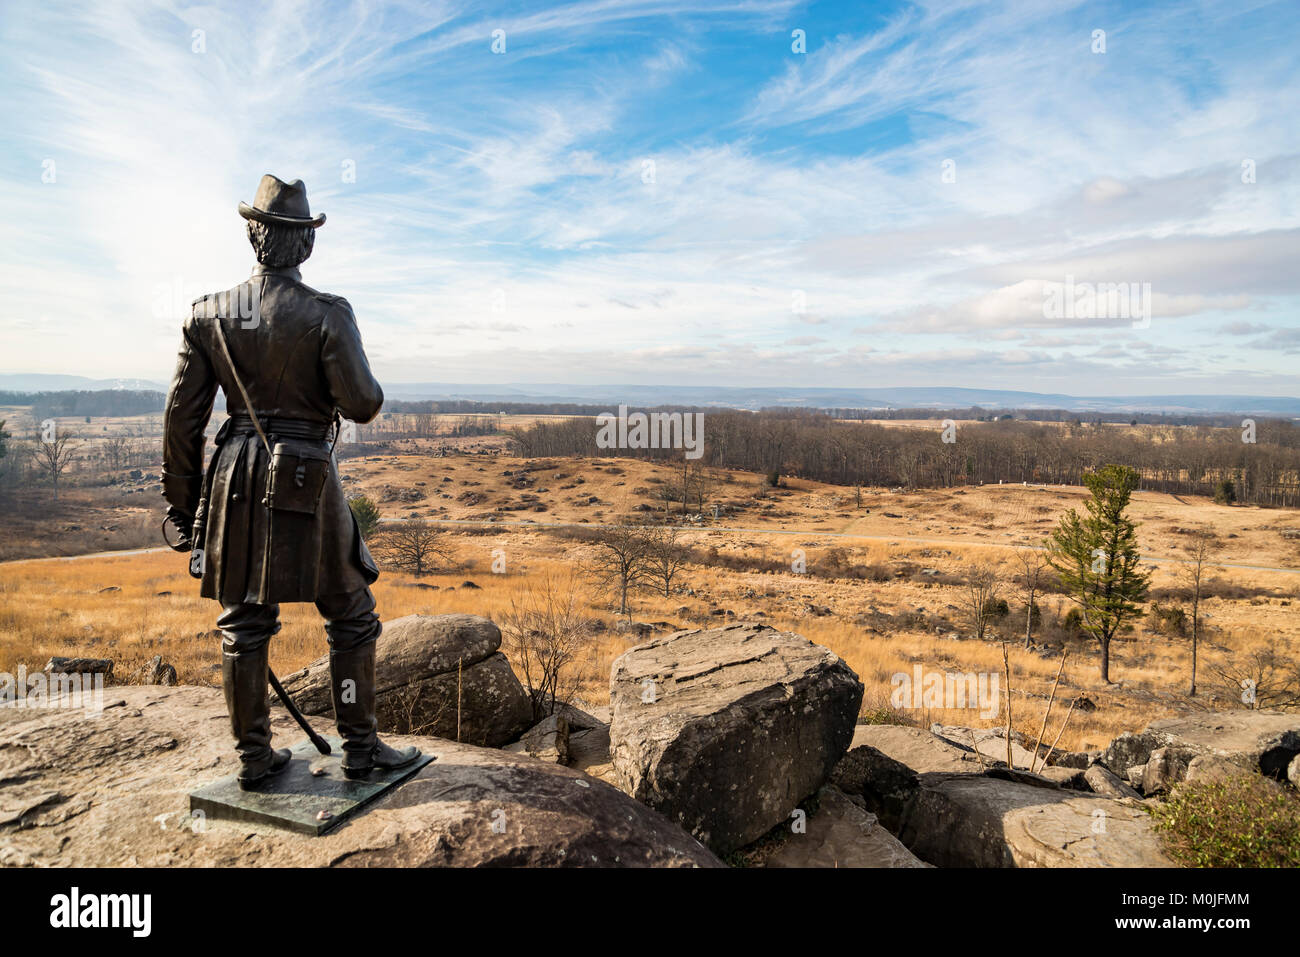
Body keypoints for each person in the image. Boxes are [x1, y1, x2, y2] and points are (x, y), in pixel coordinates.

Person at [162, 174, 419, 788]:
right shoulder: (328, 314)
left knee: (243, 620)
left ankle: (254, 759)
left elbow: (182, 418)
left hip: (234, 476)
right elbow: (362, 403)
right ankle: (361, 748)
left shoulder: (209, 314)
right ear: (305, 244)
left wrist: (186, 504)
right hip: (304, 471)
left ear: (254, 235)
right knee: (351, 612)